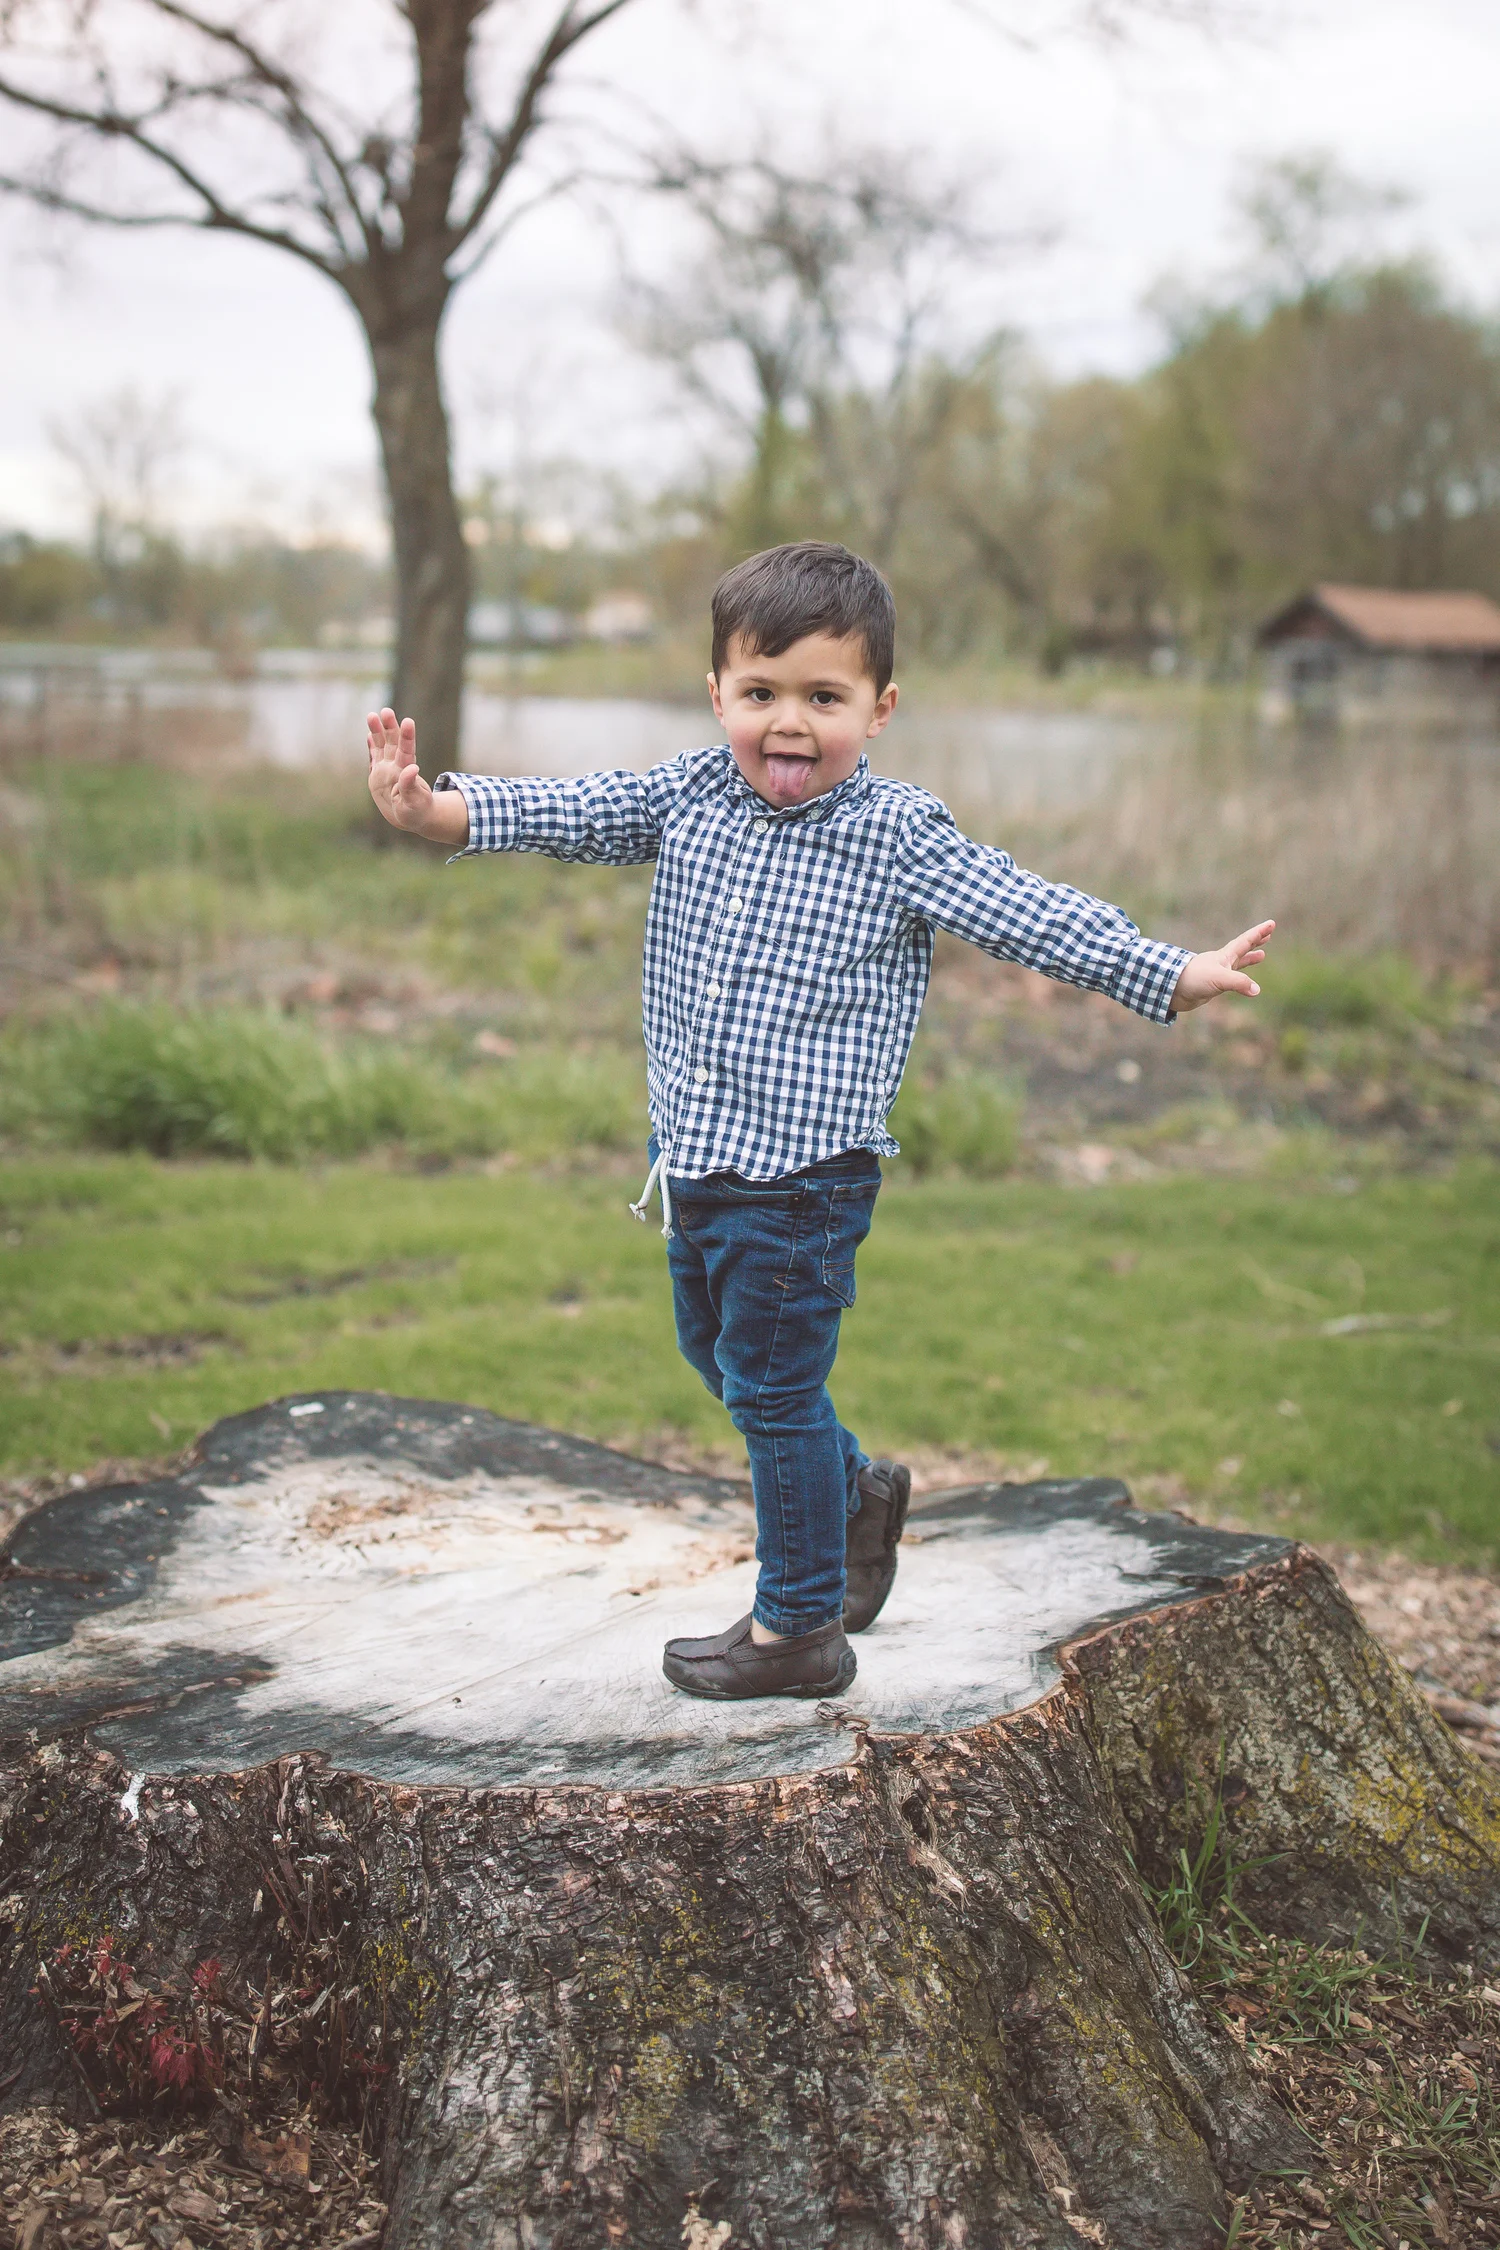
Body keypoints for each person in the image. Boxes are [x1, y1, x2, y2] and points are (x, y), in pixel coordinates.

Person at [366, 540, 1273, 1704]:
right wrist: (434, 808)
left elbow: (1026, 912)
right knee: (723, 1360)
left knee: (774, 1391)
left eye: (824, 698)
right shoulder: (687, 793)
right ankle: (852, 1498)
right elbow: (567, 811)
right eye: (762, 694)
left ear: (880, 708)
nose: (788, 724)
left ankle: (798, 1627)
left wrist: (1169, 970)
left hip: (805, 1180)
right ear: (718, 695)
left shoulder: (895, 835)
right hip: (692, 1155)